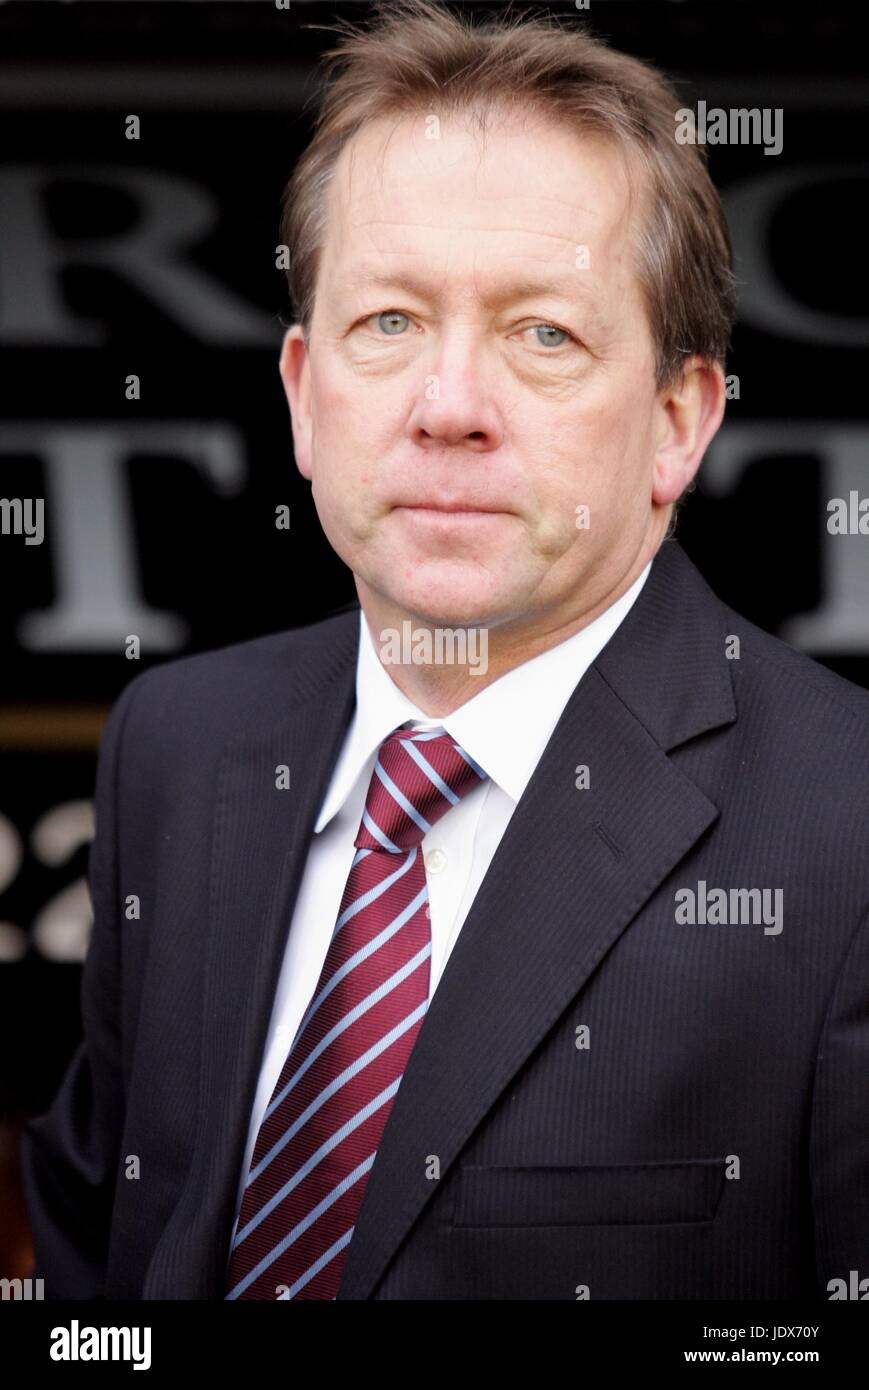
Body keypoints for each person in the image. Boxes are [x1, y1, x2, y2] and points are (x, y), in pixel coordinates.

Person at [21, 0, 869, 1300]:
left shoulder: (844, 831)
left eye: (543, 335)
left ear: (676, 421)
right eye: (390, 322)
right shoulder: (176, 744)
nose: (449, 406)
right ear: (304, 395)